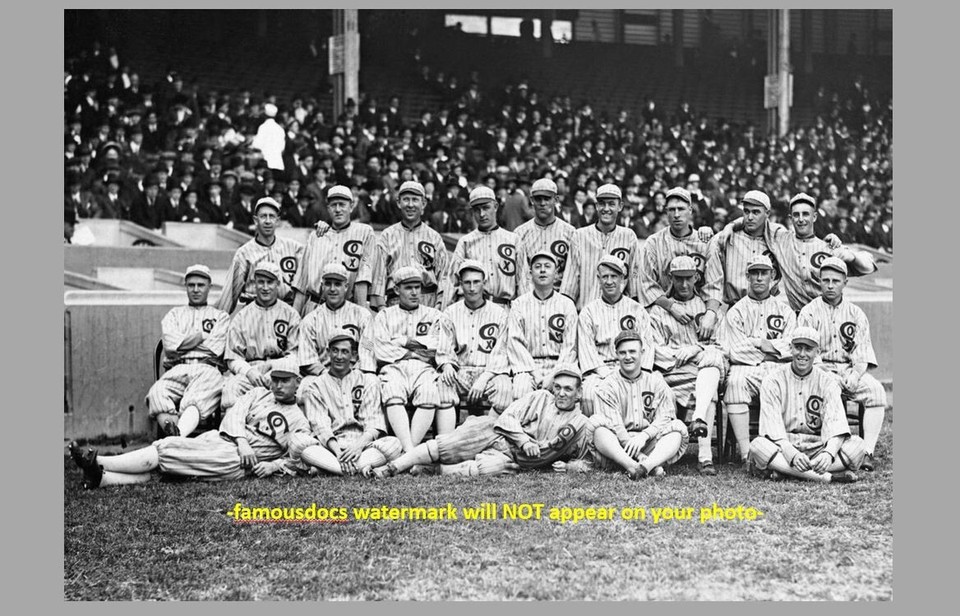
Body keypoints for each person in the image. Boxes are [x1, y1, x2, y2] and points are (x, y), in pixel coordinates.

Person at [68, 357, 315, 489]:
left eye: (285, 380)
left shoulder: (299, 419)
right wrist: (242, 440)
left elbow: (301, 456)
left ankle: (97, 460)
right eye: (276, 379)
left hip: (234, 459)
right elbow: (234, 414)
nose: (278, 385)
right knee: (177, 473)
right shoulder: (259, 393)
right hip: (224, 441)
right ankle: (103, 478)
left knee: (170, 448)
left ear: (298, 382)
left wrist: (273, 466)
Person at [370, 365, 593, 477]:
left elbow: (586, 460)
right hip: (496, 432)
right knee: (447, 446)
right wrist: (524, 440)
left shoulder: (580, 422)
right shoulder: (541, 397)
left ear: (579, 393)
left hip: (512, 457)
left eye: (568, 389)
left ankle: (430, 469)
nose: (561, 393)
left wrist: (570, 466)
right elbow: (507, 417)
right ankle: (392, 467)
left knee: (484, 469)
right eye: (558, 387)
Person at [798, 257, 886, 471]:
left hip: (849, 370)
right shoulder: (809, 312)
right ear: (819, 281)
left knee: (876, 391)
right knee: (831, 390)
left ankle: (866, 452)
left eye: (835, 281)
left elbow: (862, 353)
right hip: (819, 371)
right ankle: (832, 448)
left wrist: (855, 375)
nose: (830, 285)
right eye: (825, 280)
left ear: (845, 283)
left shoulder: (856, 313)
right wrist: (833, 376)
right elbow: (807, 355)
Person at [747, 327, 864, 483]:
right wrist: (791, 454)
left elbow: (835, 424)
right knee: (757, 446)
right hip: (784, 447)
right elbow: (771, 426)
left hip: (817, 446)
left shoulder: (828, 381)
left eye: (808, 349)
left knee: (857, 446)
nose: (802, 354)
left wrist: (828, 454)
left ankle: (786, 471)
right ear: (790, 348)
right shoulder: (773, 379)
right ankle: (830, 478)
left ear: (817, 352)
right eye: (798, 348)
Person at [649, 256, 727, 475]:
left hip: (701, 375)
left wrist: (696, 349)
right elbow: (654, 350)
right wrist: (681, 354)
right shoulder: (659, 311)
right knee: (706, 385)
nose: (684, 284)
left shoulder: (709, 310)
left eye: (688, 279)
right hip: (671, 375)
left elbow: (722, 348)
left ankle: (704, 453)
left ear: (696, 277)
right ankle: (700, 451)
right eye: (678, 279)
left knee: (710, 367)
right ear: (671, 278)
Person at [717, 255, 796, 464]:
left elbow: (791, 347)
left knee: (790, 383)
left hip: (777, 366)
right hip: (746, 368)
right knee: (734, 383)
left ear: (772, 276)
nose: (759, 278)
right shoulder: (736, 311)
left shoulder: (785, 311)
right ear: (747, 276)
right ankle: (746, 453)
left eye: (764, 273)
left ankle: (783, 447)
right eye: (755, 273)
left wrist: (758, 343)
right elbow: (735, 351)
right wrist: (771, 348)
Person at [371, 266, 452, 452]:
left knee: (429, 392)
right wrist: (416, 352)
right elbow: (381, 349)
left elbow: (438, 345)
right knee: (392, 390)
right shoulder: (385, 315)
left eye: (417, 287)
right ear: (397, 289)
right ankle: (410, 450)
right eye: (408, 288)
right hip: (394, 367)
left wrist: (405, 341)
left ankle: (409, 450)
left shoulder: (434, 315)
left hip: (424, 368)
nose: (415, 292)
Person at [297, 333, 403, 476]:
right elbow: (320, 426)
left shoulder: (367, 381)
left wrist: (358, 447)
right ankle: (353, 468)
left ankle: (329, 469)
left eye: (344, 351)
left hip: (363, 447)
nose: (339, 356)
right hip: (331, 448)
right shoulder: (315, 385)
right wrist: (338, 452)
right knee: (297, 441)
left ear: (353, 355)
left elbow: (374, 423)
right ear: (328, 352)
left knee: (394, 444)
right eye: (335, 350)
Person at [590, 330, 689, 479]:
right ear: (616, 354)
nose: (628, 357)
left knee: (678, 428)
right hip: (618, 448)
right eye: (622, 353)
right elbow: (614, 426)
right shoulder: (607, 385)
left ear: (642, 352)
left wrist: (644, 435)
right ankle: (635, 465)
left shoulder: (655, 381)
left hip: (648, 443)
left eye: (632, 351)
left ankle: (644, 467)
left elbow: (665, 417)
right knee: (596, 425)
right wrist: (638, 454)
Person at [147, 265, 230, 437]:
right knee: (157, 391)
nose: (196, 289)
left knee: (196, 399)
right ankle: (175, 434)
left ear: (209, 287)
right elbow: (170, 346)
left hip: (207, 369)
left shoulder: (220, 316)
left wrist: (183, 342)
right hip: (178, 368)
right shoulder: (174, 314)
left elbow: (215, 350)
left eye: (201, 285)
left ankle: (177, 436)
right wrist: (202, 336)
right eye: (191, 285)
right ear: (186, 287)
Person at [761, 192, 877, 312]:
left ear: (814, 217)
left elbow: (869, 267)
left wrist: (851, 256)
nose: (801, 219)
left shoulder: (828, 247)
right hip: (799, 320)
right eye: (796, 215)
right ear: (791, 218)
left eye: (805, 214)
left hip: (827, 318)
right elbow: (754, 221)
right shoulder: (781, 240)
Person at [577, 255, 656, 416]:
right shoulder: (588, 312)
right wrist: (607, 374)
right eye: (605, 277)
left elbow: (647, 345)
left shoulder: (636, 309)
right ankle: (596, 438)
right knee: (589, 394)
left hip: (632, 367)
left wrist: (636, 371)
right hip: (600, 371)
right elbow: (587, 350)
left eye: (614, 276)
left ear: (622, 279)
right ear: (598, 279)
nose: (609, 281)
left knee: (650, 389)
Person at [435, 261, 514, 421]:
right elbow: (444, 347)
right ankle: (447, 441)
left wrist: (483, 379)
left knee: (505, 389)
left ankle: (490, 439)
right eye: (467, 282)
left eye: (476, 282)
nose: (472, 288)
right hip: (461, 371)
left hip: (491, 373)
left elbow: (501, 353)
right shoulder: (450, 312)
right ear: (460, 285)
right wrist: (447, 365)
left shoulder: (499, 313)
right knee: (443, 384)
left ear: (484, 283)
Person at [221, 261, 302, 411]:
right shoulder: (242, 316)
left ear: (278, 284)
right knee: (231, 389)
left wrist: (275, 369)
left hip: (282, 370)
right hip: (252, 371)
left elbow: (296, 354)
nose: (265, 287)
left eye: (270, 282)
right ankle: (233, 431)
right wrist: (249, 372)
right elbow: (232, 358)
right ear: (254, 284)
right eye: (261, 282)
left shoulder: (290, 314)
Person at [702, 190, 780, 339]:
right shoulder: (725, 238)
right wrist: (711, 312)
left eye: (756, 212)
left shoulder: (776, 238)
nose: (750, 217)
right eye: (746, 212)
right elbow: (713, 281)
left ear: (767, 214)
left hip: (768, 310)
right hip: (735, 309)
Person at [635, 188, 719, 327]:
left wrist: (711, 313)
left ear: (690, 210)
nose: (676, 214)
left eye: (681, 209)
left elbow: (714, 284)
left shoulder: (704, 241)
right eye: (672, 210)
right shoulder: (653, 242)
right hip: (663, 311)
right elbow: (646, 284)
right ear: (666, 211)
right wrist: (671, 306)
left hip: (699, 312)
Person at [291, 185, 376, 315]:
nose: (337, 210)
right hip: (315, 306)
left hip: (348, 307)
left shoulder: (364, 232)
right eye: (333, 205)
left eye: (342, 204)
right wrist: (294, 318)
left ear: (351, 206)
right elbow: (302, 283)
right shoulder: (317, 236)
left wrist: (362, 315)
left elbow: (362, 279)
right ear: (328, 208)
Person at [297, 262, 375, 401]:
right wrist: (327, 376)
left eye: (338, 284)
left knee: (372, 382)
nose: (332, 289)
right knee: (305, 387)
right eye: (328, 284)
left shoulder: (362, 315)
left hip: (356, 373)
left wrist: (353, 375)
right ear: (322, 286)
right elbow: (307, 359)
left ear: (346, 287)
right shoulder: (310, 320)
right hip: (322, 374)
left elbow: (368, 351)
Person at [507, 250, 579, 400]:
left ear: (556, 273)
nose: (542, 270)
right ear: (530, 273)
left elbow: (570, 346)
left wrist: (554, 374)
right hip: (528, 367)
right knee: (521, 389)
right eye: (538, 266)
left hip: (560, 365)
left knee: (566, 391)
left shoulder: (567, 304)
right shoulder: (519, 304)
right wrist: (535, 373)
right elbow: (515, 343)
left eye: (547, 266)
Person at [215, 197, 305, 314]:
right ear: (255, 220)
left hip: (287, 311)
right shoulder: (244, 253)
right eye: (263, 216)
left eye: (272, 216)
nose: (267, 221)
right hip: (255, 311)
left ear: (277, 221)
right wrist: (218, 323)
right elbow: (229, 295)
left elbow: (305, 285)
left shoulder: (294, 248)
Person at [369, 181, 450, 310]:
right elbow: (379, 276)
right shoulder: (387, 236)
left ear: (423, 204)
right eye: (406, 200)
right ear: (398, 203)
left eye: (415, 200)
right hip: (396, 301)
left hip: (427, 300)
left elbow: (444, 276)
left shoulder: (434, 237)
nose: (410, 205)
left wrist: (439, 306)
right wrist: (382, 309)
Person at [560, 184, 639, 310]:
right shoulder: (580, 235)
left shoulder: (629, 236)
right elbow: (569, 285)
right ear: (596, 206)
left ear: (620, 207)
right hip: (586, 313)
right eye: (602, 203)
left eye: (611, 204)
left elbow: (634, 284)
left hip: (618, 314)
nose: (606, 208)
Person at [443, 186, 519, 308]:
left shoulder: (513, 240)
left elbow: (524, 282)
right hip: (475, 309)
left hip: (506, 308)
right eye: (477, 210)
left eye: (486, 208)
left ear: (495, 206)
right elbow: (452, 282)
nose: (482, 214)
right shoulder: (465, 242)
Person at [513, 178, 576, 295]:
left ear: (556, 200)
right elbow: (520, 276)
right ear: (532, 200)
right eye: (538, 199)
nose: (542, 203)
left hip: (560, 298)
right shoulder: (520, 233)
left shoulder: (570, 232)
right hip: (529, 298)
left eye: (547, 198)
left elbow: (572, 275)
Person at [251, 102, 285, 174]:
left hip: (266, 163)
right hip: (278, 163)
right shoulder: (280, 129)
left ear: (264, 115)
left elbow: (257, 145)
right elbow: (282, 148)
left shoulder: (263, 127)